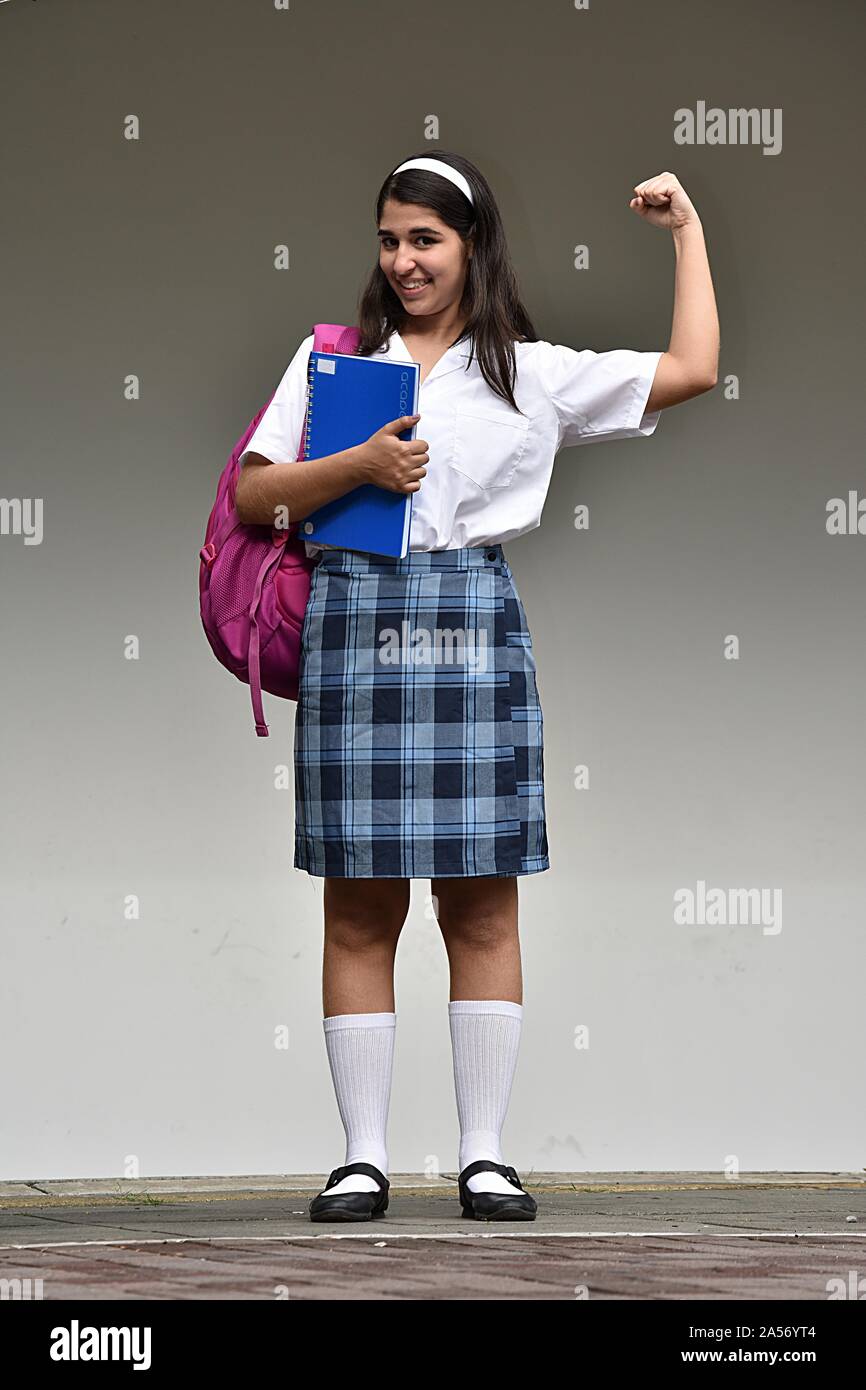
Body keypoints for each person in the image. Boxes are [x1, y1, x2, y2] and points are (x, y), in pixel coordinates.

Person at [235, 152, 720, 1222]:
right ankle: (360, 1158)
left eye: (425, 239)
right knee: (358, 900)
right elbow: (257, 491)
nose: (402, 259)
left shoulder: (527, 372)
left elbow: (691, 368)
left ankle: (483, 1156)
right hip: (353, 621)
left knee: (482, 897)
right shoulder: (335, 363)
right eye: (388, 238)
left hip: (471, 625)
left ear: (470, 246)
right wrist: (358, 464)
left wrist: (684, 229)